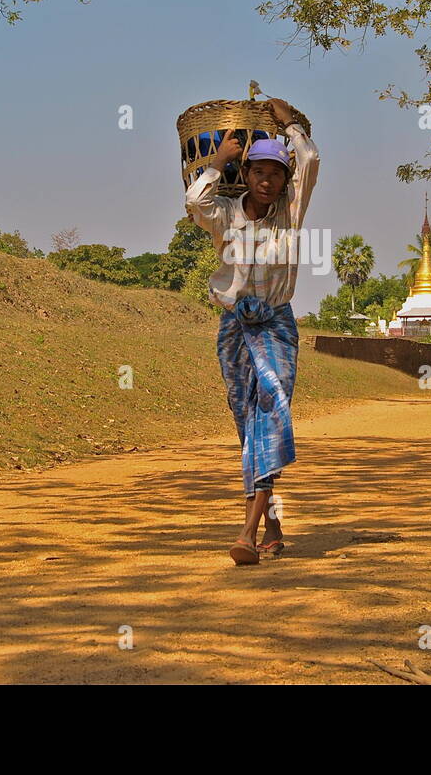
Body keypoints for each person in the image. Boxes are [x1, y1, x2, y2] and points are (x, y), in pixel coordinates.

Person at [183, 97, 320, 565]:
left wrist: (292, 125)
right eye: (259, 171)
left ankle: (246, 532)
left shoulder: (290, 213)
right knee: (248, 424)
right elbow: (194, 200)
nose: (267, 180)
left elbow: (311, 159)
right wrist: (220, 160)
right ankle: (273, 522)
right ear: (249, 173)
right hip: (235, 326)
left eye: (276, 174)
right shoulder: (225, 213)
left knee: (271, 410)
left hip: (277, 324)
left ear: (284, 182)